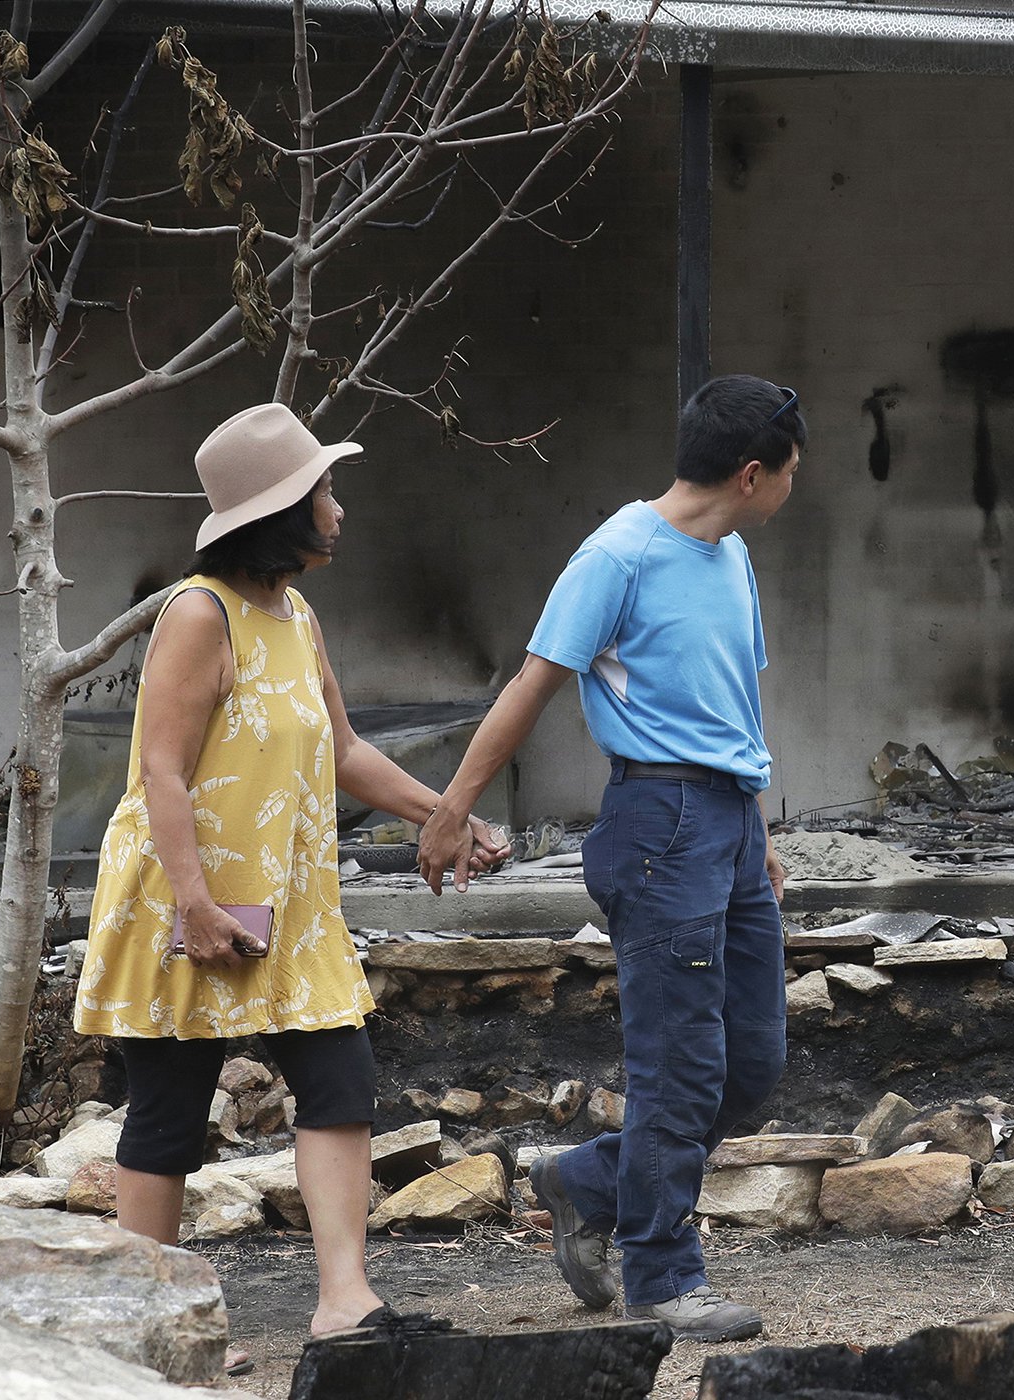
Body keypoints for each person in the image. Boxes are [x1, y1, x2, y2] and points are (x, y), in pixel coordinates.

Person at [74, 403, 506, 1359]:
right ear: (279, 511)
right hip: (183, 890)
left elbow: (345, 751)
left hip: (292, 898)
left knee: (339, 1075)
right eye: (325, 491)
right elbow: (162, 774)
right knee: (171, 1107)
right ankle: (146, 1327)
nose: (339, 509)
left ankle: (345, 1301)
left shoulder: (295, 614)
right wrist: (192, 901)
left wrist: (444, 813)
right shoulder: (199, 612)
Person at [416, 374, 803, 1343]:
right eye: (793, 466)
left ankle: (586, 1178)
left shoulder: (733, 553)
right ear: (751, 474)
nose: (801, 478)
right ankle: (664, 1276)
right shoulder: (619, 555)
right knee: (680, 1064)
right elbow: (530, 684)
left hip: (728, 821)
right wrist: (450, 808)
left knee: (750, 1063)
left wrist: (760, 833)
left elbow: (733, 702)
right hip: (658, 820)